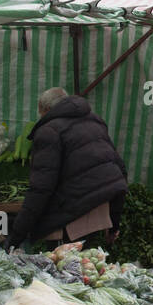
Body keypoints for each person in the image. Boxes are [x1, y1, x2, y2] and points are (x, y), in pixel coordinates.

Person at [8, 88, 129, 248]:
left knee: (63, 267)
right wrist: (114, 224)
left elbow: (40, 189)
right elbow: (117, 174)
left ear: (45, 110)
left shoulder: (48, 131)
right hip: (97, 213)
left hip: (71, 216)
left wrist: (16, 237)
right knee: (85, 266)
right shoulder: (95, 122)